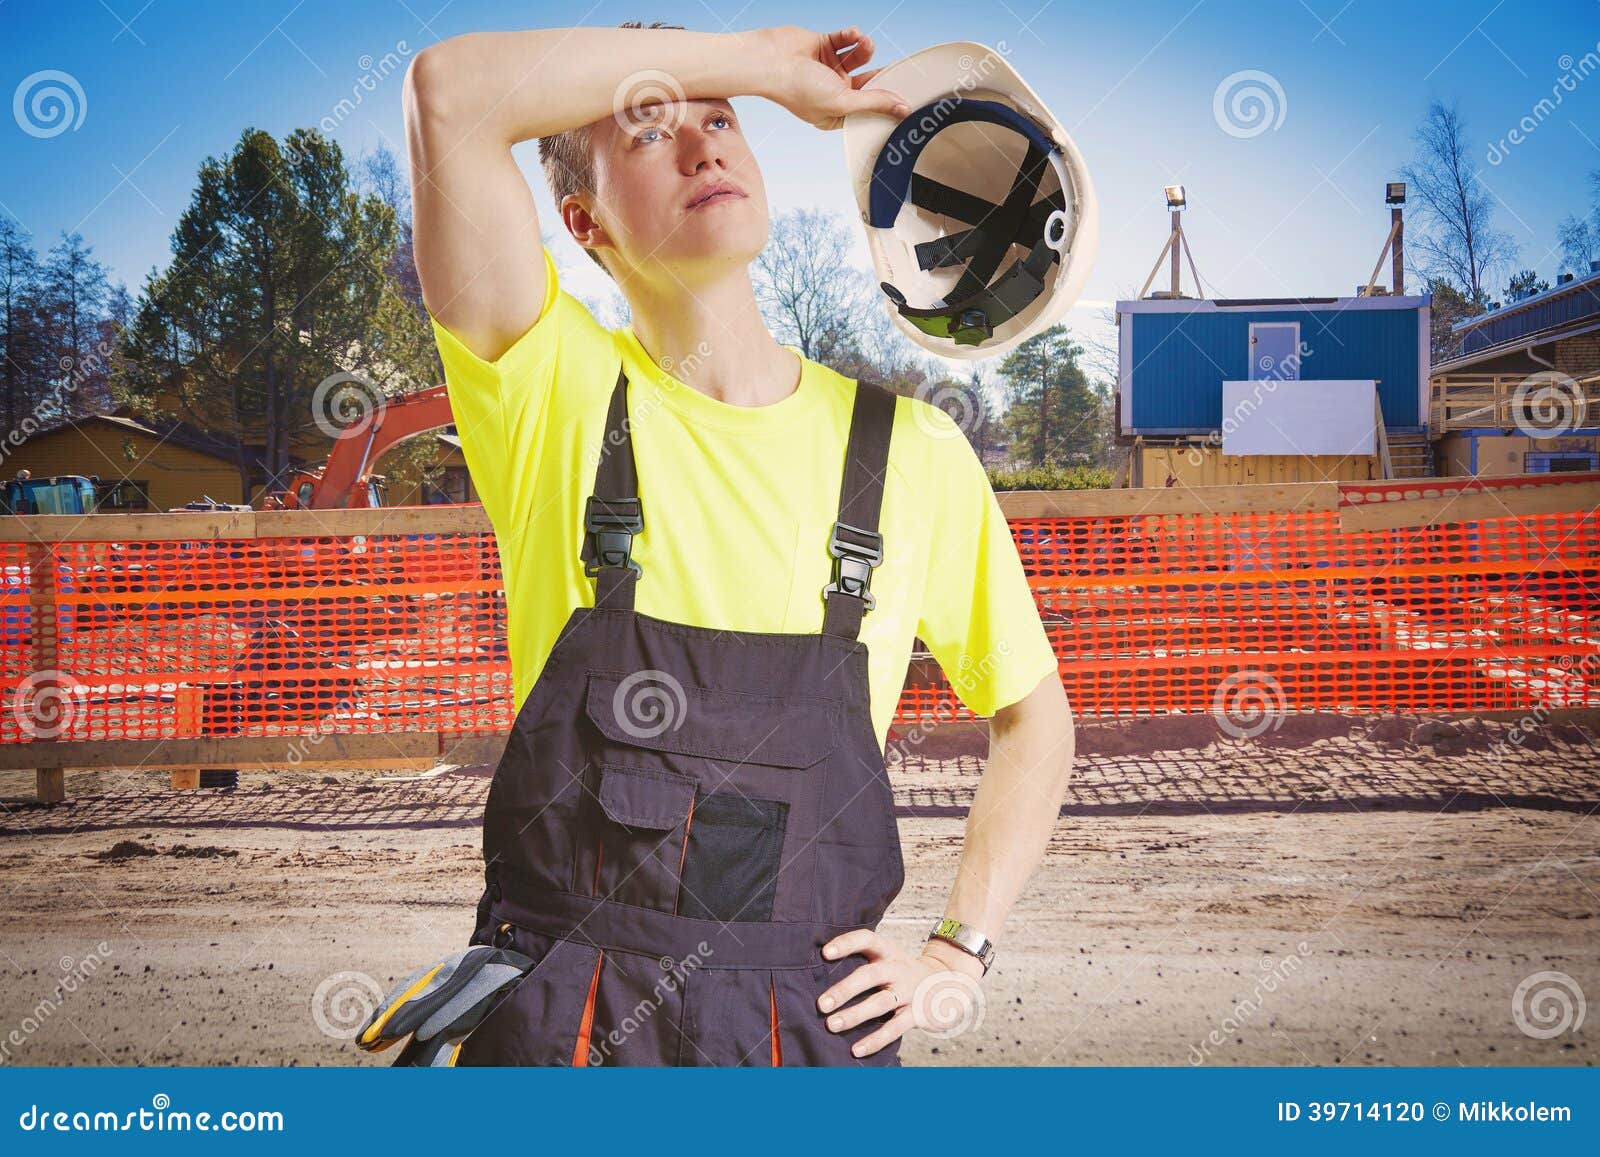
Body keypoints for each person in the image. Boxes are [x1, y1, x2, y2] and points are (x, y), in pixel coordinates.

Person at [403, 20, 1075, 1066]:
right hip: (565, 1030)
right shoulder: (552, 391)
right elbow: (447, 92)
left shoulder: (911, 452)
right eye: (647, 130)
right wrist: (758, 68)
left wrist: (957, 950)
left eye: (722, 122)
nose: (705, 146)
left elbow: (1034, 718)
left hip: (803, 1033)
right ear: (582, 223)